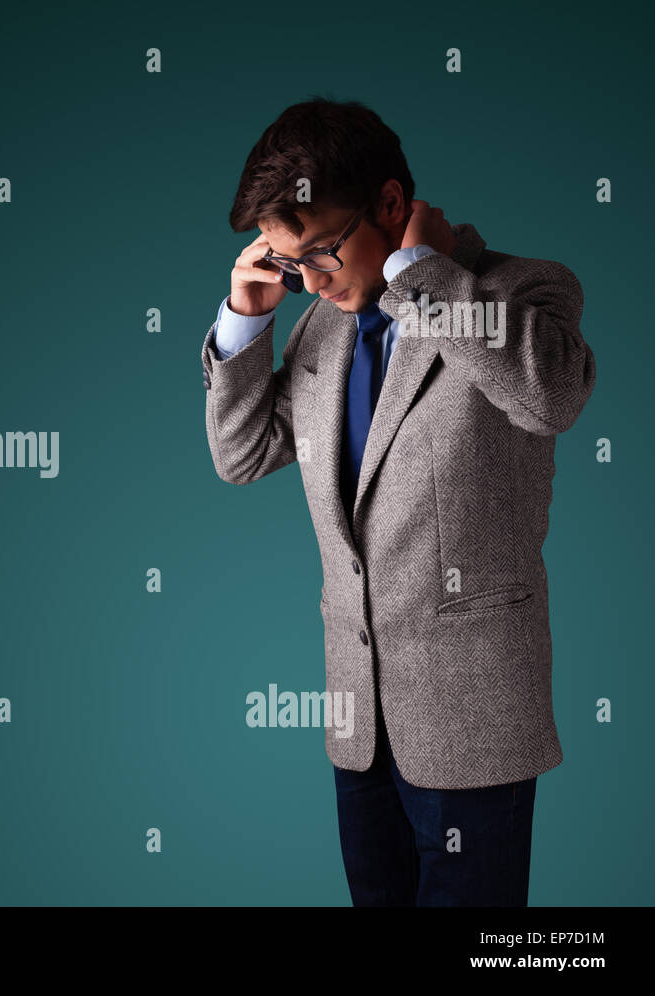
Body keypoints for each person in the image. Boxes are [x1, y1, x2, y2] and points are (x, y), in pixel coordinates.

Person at [201, 97, 597, 905]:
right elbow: (241, 457)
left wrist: (421, 276)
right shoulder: (320, 330)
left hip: (471, 719)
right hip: (358, 723)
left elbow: (551, 397)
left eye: (318, 252)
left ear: (390, 205)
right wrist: (247, 320)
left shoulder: (520, 290)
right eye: (288, 265)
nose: (308, 280)